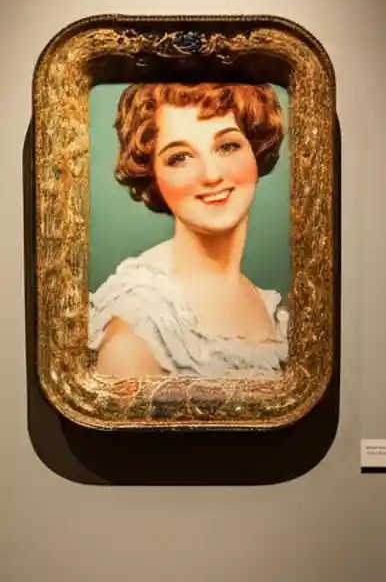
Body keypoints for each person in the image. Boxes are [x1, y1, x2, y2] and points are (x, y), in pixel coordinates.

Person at [89, 82, 289, 378]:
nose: (211, 175)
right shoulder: (141, 321)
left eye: (227, 146)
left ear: (255, 150)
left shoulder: (265, 302)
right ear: (152, 174)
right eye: (180, 157)